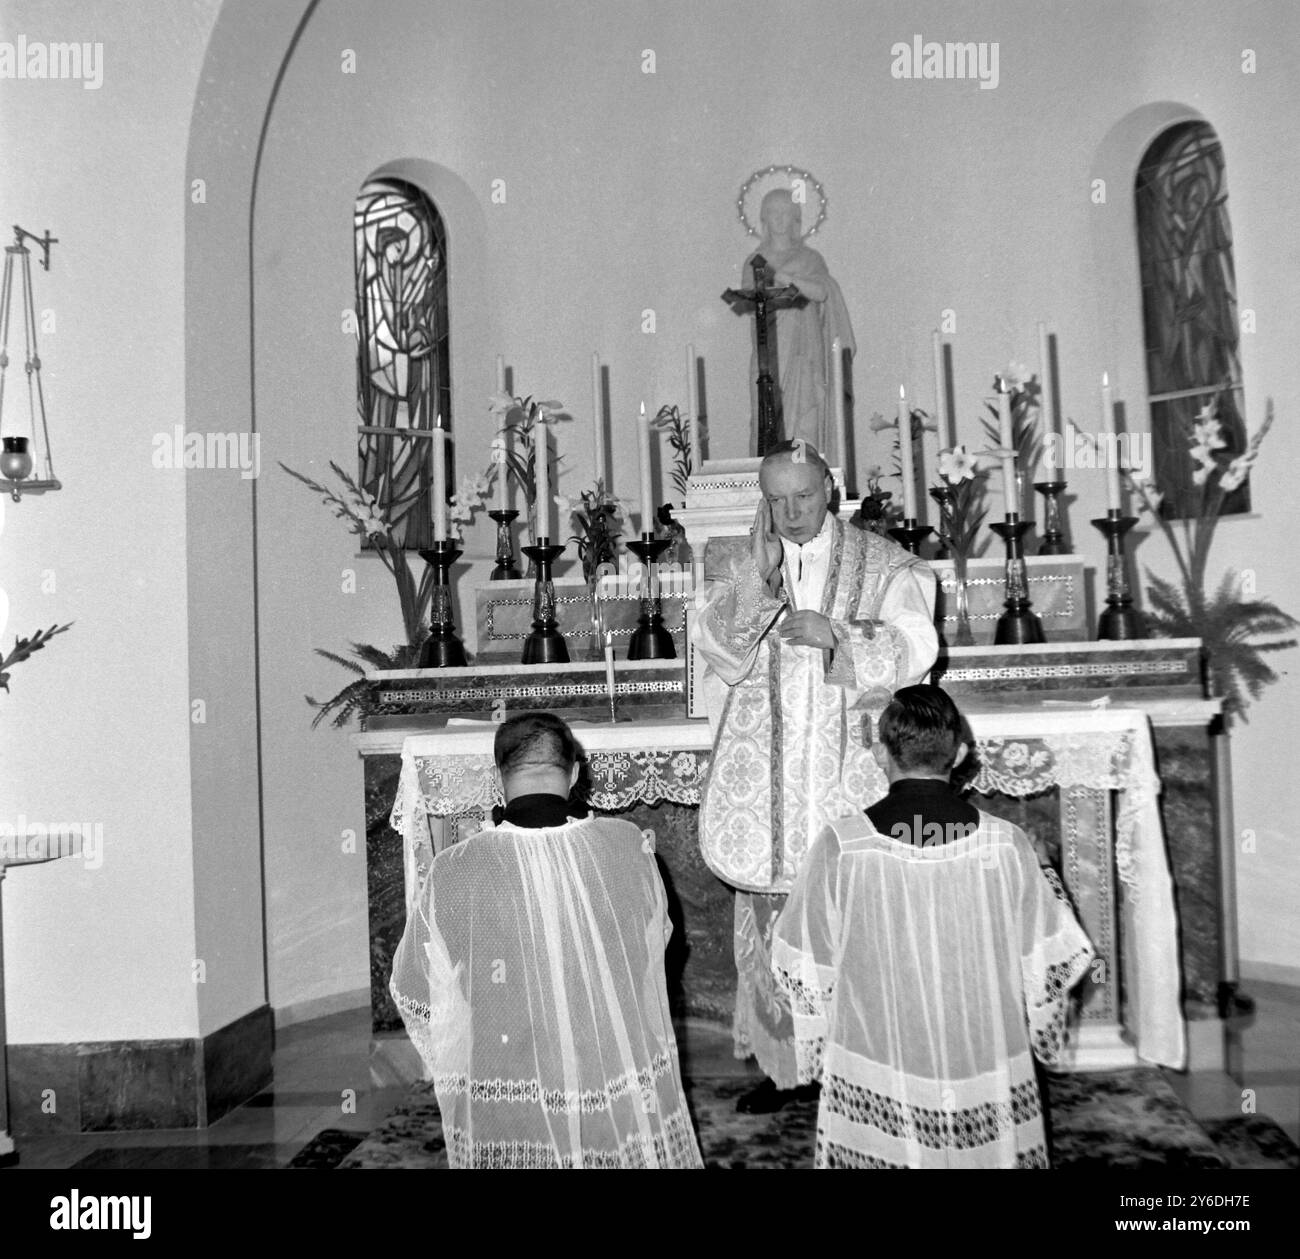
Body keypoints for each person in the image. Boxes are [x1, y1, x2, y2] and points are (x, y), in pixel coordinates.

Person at [693, 441, 938, 1111]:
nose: (789, 510)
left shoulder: (884, 560)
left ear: (829, 488)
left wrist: (839, 635)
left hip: (849, 765)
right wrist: (757, 587)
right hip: (767, 769)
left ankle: (857, 1067)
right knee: (775, 915)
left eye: (802, 495)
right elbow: (716, 651)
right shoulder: (739, 559)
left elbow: (919, 648)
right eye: (775, 497)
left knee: (851, 913)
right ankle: (785, 1070)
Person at [771, 685, 1095, 1168]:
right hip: (982, 1054)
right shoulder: (1007, 844)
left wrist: (819, 1031)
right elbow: (1051, 957)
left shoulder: (842, 844)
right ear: (960, 753)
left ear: (880, 754)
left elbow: (801, 962)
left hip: (877, 1055)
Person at [389, 711, 703, 1169]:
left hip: (508, 1064)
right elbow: (661, 951)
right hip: (610, 1066)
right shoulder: (627, 843)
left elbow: (416, 988)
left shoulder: (457, 866)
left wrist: (465, 1049)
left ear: (499, 780)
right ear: (575, 774)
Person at [739, 187, 856, 459]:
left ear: (795, 218)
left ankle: (805, 473)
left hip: (805, 351)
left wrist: (780, 275)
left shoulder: (810, 259)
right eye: (773, 213)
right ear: (764, 219)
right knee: (767, 413)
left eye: (785, 213)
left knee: (805, 411)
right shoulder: (754, 262)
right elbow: (747, 296)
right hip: (770, 350)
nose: (779, 219)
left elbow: (821, 292)